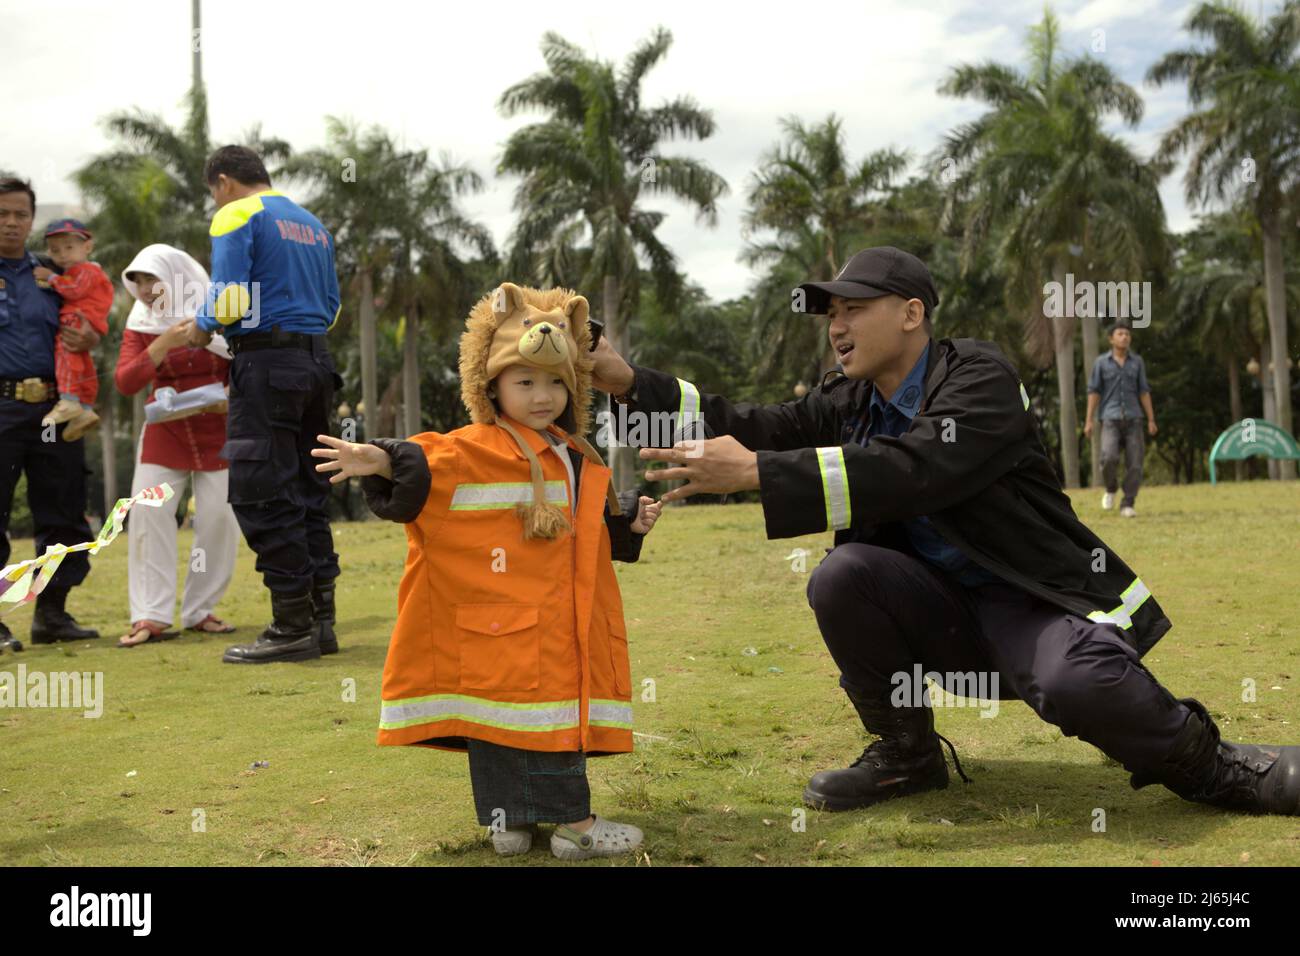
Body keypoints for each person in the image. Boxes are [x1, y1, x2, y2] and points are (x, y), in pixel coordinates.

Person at [589, 245, 1299, 817]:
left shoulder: (981, 378)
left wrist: (762, 476)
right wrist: (626, 381)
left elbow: (917, 467)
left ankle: (1214, 766)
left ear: (911, 313)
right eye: (830, 314)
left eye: (854, 309)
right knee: (842, 575)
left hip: (1028, 603)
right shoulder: (848, 397)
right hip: (939, 616)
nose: (836, 327)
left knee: (1077, 677)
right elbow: (752, 423)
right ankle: (906, 756)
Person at [313, 282, 663, 859]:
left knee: (507, 729)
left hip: (524, 632)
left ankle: (511, 826)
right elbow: (424, 461)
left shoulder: (573, 453)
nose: (542, 395)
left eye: (556, 382)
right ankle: (574, 828)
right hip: (525, 635)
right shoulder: (473, 448)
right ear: (490, 386)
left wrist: (627, 527)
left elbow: (584, 533)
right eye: (524, 381)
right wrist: (378, 457)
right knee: (536, 729)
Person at [186, 146, 344, 664]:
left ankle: (290, 625)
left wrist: (200, 327)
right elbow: (332, 307)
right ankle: (321, 622)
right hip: (317, 364)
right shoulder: (312, 224)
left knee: (259, 491)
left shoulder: (236, 212)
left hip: (265, 365)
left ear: (224, 181)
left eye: (214, 190)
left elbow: (230, 297)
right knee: (307, 487)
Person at [115, 244, 240, 647]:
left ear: (178, 278)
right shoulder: (141, 323)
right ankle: (150, 615)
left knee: (219, 519)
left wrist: (228, 393)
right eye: (139, 282)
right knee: (150, 515)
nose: (147, 290)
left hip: (217, 429)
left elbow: (243, 362)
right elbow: (126, 381)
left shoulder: (216, 313)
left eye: (153, 279)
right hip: (165, 432)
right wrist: (163, 342)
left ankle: (200, 610)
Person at [0, 177, 100, 649]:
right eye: (2, 214)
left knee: (62, 514)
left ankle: (52, 613)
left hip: (54, 410)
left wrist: (91, 338)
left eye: (20, 214)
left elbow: (90, 317)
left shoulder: (51, 273)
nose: (12, 222)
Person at [32, 218, 114, 441]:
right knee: (82, 364)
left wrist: (51, 277)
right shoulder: (83, 270)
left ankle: (69, 400)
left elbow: (74, 291)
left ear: (87, 247)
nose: (62, 254)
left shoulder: (85, 271)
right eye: (55, 250)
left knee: (66, 357)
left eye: (69, 247)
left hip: (76, 318)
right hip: (86, 319)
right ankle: (85, 409)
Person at [1085, 319, 1156, 517]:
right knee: (1108, 457)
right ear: (1111, 339)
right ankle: (1111, 487)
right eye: (1120, 334)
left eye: (1127, 334)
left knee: (1135, 463)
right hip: (1110, 418)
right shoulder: (1101, 363)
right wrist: (1089, 420)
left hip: (1134, 418)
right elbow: (1093, 392)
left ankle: (1128, 503)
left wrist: (1151, 419)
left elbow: (1144, 391)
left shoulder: (1137, 362)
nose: (1125, 337)